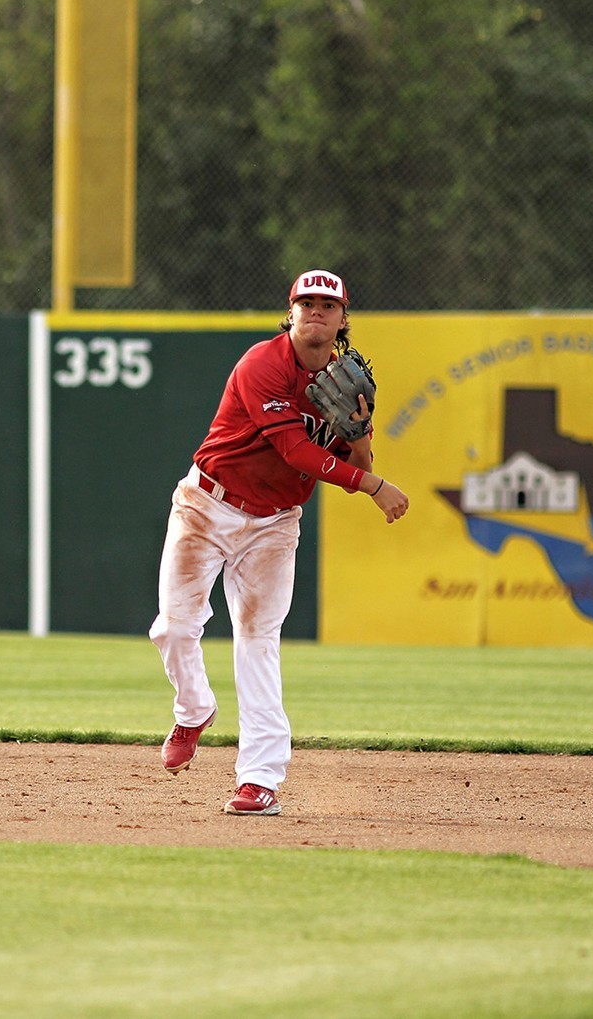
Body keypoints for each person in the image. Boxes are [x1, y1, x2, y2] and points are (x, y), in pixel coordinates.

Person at [150, 269, 410, 815]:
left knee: (258, 641)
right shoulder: (261, 364)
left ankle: (260, 779)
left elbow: (357, 458)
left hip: (274, 523)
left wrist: (362, 434)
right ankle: (194, 708)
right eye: (306, 302)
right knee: (173, 630)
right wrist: (374, 487)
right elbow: (295, 451)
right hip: (207, 505)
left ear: (342, 320)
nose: (316, 310)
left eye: (328, 304)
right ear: (289, 312)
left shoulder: (346, 381)